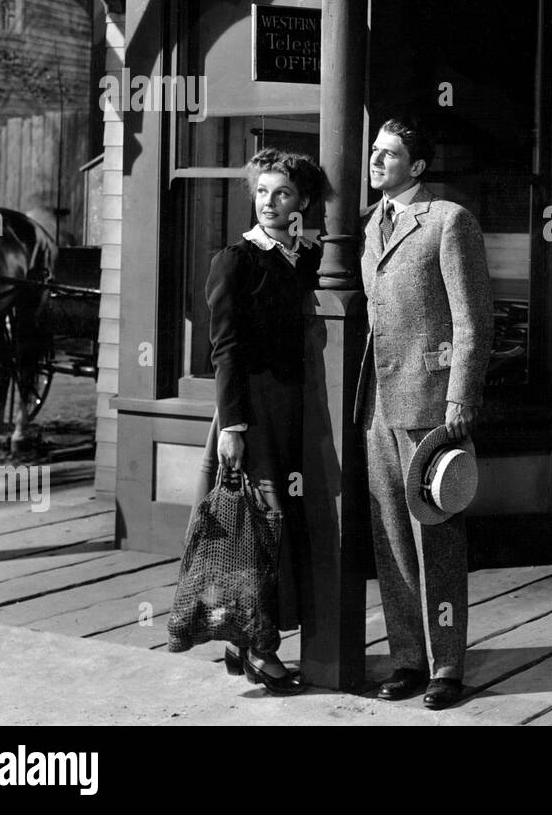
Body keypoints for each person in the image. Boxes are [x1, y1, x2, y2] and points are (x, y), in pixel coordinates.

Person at [356, 117, 494, 711]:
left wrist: (461, 396)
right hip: (378, 407)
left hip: (431, 404)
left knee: (435, 536)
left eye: (390, 154)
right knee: (391, 538)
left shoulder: (447, 220)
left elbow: (473, 319)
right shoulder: (367, 227)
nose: (376, 161)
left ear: (417, 167)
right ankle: (407, 658)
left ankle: (447, 666)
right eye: (374, 152)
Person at [197, 148, 331, 695]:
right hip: (253, 413)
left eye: (283, 194)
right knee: (259, 530)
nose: (270, 203)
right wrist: (233, 427)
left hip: (301, 412)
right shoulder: (237, 259)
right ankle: (261, 652)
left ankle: (242, 641)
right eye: (261, 193)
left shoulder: (309, 257)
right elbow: (225, 348)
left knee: (285, 528)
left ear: (303, 202)